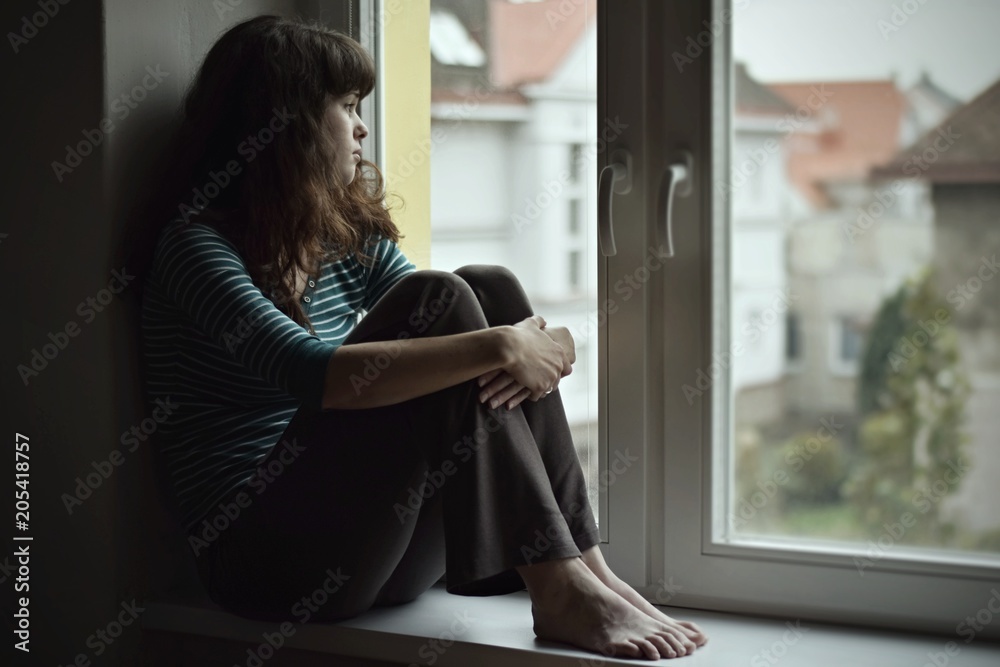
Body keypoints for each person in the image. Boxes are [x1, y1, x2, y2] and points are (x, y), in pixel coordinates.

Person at [138, 14, 707, 661]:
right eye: (346, 106)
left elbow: (457, 324)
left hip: (381, 555)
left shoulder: (337, 237)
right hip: (267, 565)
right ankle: (560, 589)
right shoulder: (196, 249)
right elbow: (310, 371)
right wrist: (504, 347)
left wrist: (524, 338)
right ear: (284, 120)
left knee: (485, 285)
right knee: (447, 304)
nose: (361, 127)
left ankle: (585, 568)